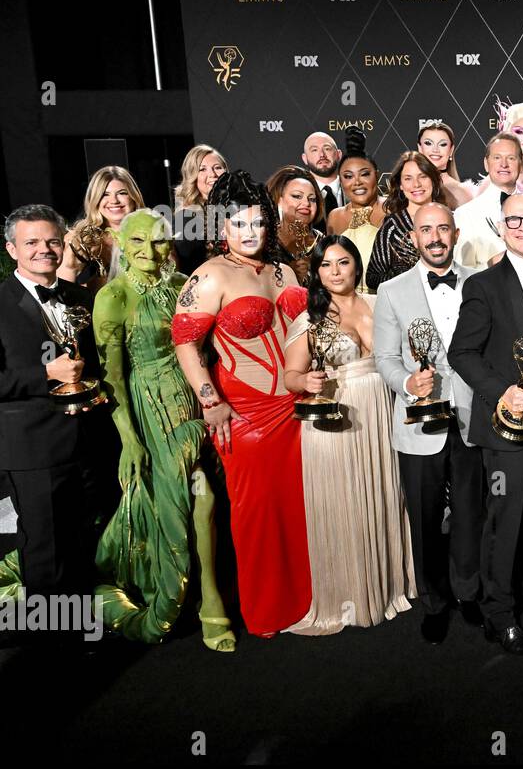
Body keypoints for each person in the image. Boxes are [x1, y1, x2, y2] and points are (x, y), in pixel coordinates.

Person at [171, 170, 311, 638]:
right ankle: (266, 611)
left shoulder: (282, 270)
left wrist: (303, 382)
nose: (249, 233)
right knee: (255, 514)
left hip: (291, 407)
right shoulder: (209, 275)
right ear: (219, 226)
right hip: (243, 413)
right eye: (238, 224)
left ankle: (307, 599)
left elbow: (297, 332)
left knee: (298, 507)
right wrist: (210, 402)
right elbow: (186, 344)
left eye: (257, 223)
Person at [91, 209, 236, 651]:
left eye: (159, 241)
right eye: (138, 242)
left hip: (193, 398)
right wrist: (129, 440)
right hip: (150, 409)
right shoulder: (112, 296)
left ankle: (213, 587)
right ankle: (210, 602)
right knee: (199, 496)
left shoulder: (183, 286)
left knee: (211, 496)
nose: (150, 251)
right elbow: (111, 377)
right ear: (119, 241)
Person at [448, 193, 523, 656]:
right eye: (513, 219)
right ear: (502, 227)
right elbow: (461, 352)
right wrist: (502, 391)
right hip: (508, 419)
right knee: (505, 517)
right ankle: (499, 613)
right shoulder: (483, 285)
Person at [283, 235, 416, 635]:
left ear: (356, 265)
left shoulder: (381, 303)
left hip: (381, 412)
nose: (335, 272)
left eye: (343, 262)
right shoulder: (309, 318)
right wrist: (306, 380)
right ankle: (350, 594)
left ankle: (391, 584)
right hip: (335, 416)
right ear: (317, 272)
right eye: (326, 265)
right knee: (342, 500)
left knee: (383, 494)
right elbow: (289, 376)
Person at [0, 204, 117, 621]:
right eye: (32, 242)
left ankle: (80, 633)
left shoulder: (77, 296)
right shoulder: (0, 302)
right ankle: (48, 648)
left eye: (52, 241)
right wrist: (44, 374)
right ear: (12, 249)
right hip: (33, 449)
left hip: (86, 441)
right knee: (46, 552)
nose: (44, 250)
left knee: (82, 541)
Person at [374, 202, 483, 644]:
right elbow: (384, 357)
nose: (435, 237)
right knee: (424, 517)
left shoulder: (479, 283)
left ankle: (468, 592)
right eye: (426, 230)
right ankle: (434, 602)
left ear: (455, 234)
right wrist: (407, 383)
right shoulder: (391, 290)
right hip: (419, 423)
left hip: (473, 417)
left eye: (443, 229)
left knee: (471, 514)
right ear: (414, 238)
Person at [367, 150, 446, 289]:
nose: (416, 184)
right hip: (407, 304)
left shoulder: (452, 219)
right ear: (401, 185)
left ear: (433, 180)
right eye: (408, 178)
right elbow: (373, 277)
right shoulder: (392, 227)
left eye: (423, 176)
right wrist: (410, 280)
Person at [62, 166, 146, 291]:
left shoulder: (154, 235)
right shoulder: (79, 240)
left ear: (134, 197)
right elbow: (62, 290)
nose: (114, 200)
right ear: (94, 200)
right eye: (104, 194)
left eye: (122, 193)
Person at [452, 133, 523, 271]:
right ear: (486, 164)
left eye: (511, 158)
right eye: (497, 158)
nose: (504, 164)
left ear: (521, 164)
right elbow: (461, 270)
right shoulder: (466, 214)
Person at [325, 127, 386, 279]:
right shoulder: (335, 216)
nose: (357, 182)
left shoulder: (392, 209)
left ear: (376, 175)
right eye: (348, 176)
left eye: (364, 174)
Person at [172, 145, 228, 275]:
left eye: (218, 168)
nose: (213, 174)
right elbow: (187, 264)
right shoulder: (186, 218)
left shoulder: (236, 208)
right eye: (202, 169)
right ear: (192, 176)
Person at [267, 165, 324, 285]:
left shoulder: (321, 241)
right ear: (278, 200)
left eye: (312, 199)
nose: (306, 203)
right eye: (297, 196)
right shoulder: (265, 239)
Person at [416, 121, 475, 209]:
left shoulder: (461, 192)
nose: (435, 150)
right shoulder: (407, 187)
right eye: (428, 143)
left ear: (451, 150)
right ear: (420, 148)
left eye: (442, 144)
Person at [302, 131, 342, 215]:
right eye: (314, 150)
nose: (322, 155)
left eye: (327, 148)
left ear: (339, 155)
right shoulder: (296, 193)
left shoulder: (355, 189)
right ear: (305, 158)